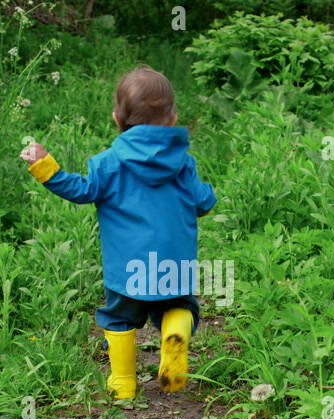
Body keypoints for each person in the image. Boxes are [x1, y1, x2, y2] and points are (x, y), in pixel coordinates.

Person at [21, 65, 216, 399]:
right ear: (173, 119)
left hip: (127, 269)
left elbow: (81, 191)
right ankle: (175, 334)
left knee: (119, 318)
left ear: (117, 119)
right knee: (180, 306)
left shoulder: (107, 163)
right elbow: (203, 203)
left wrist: (46, 167)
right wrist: (207, 193)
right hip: (173, 264)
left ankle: (123, 383)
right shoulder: (184, 163)